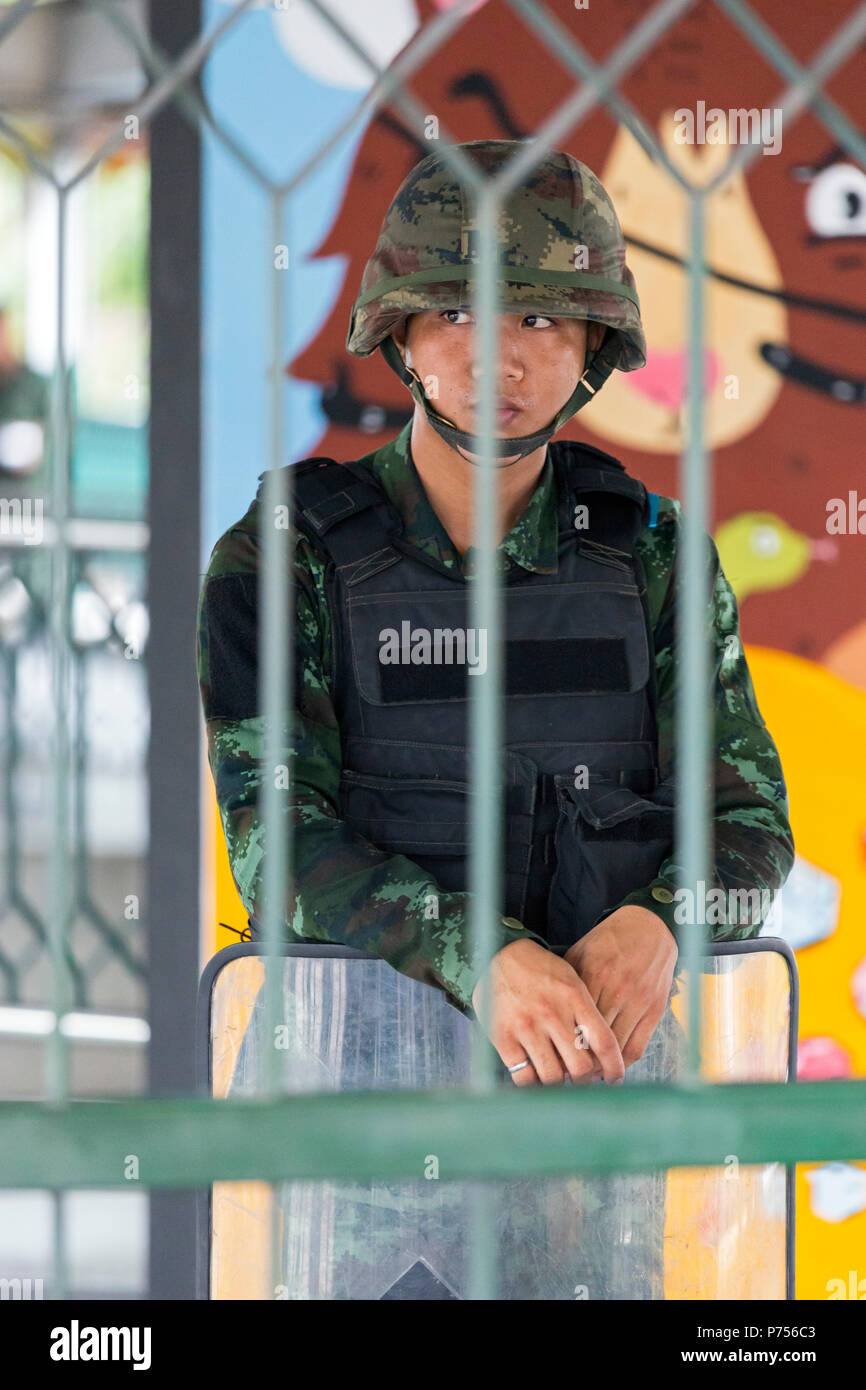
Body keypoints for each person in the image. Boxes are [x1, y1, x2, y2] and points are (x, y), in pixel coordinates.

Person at [196, 139, 795, 1093]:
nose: (497, 356)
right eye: (456, 311)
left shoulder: (652, 553)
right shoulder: (284, 554)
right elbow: (276, 844)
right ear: (400, 331)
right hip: (355, 1116)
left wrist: (664, 920)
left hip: (595, 1121)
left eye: (541, 315)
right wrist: (483, 956)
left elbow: (749, 820)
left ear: (595, 343)